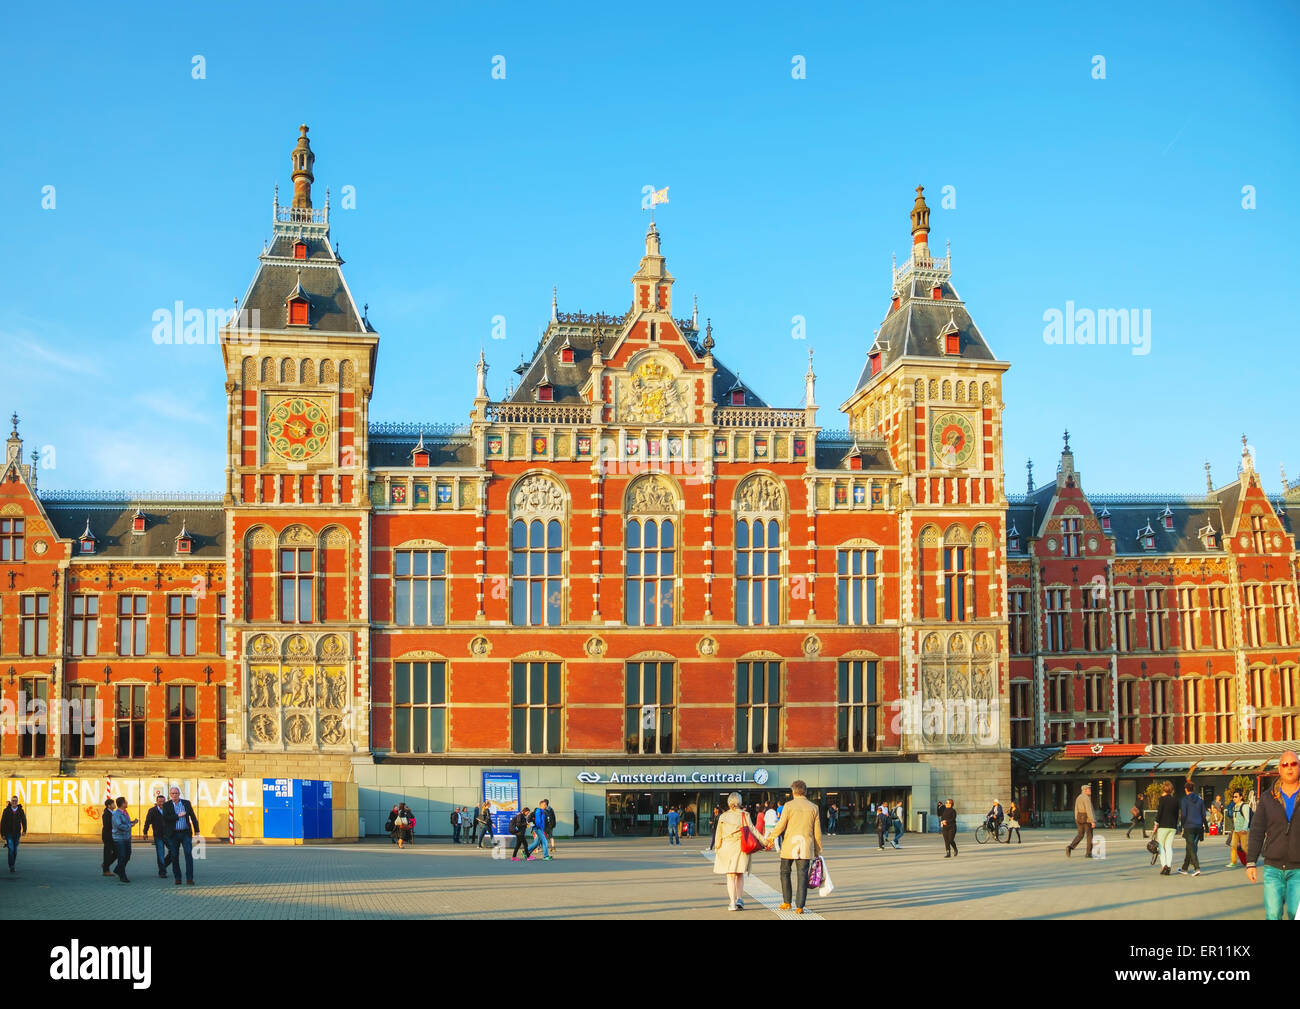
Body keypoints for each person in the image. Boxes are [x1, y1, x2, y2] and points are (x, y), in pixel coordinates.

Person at [1245, 750, 1300, 919]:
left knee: (1295, 913)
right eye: (1285, 764)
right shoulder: (1268, 798)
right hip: (1273, 868)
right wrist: (1251, 862)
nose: (1289, 768)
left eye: (1293, 764)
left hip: (1298, 869)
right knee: (1273, 914)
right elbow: (1257, 830)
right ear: (1279, 769)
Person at [764, 779, 823, 914]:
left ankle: (787, 902)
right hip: (805, 846)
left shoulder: (788, 806)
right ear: (805, 791)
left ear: (793, 791)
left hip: (789, 845)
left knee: (785, 872)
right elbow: (817, 832)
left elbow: (781, 825)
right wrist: (818, 850)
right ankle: (800, 906)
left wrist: (770, 838)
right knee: (802, 875)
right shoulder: (814, 807)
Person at [713, 792, 756, 911]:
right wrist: (765, 841)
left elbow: (718, 834)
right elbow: (753, 830)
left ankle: (732, 903)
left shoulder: (723, 816)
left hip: (726, 847)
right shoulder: (744, 815)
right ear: (740, 802)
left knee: (730, 875)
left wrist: (717, 847)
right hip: (740, 847)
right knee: (739, 874)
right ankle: (739, 899)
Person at [163, 786, 199, 886]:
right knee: (174, 856)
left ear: (179, 794)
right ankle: (177, 878)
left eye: (176, 793)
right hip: (173, 834)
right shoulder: (166, 805)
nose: (174, 795)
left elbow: (193, 816)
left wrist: (197, 830)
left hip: (185, 833)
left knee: (188, 854)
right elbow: (165, 818)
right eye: (173, 793)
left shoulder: (186, 803)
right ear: (170, 795)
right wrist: (177, 816)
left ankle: (189, 879)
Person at [1177, 781, 1205, 876]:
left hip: (1189, 826)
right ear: (1193, 789)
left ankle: (1197, 868)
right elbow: (1203, 814)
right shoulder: (1200, 800)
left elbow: (1183, 815)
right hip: (1199, 826)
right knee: (1189, 847)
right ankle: (1184, 868)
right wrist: (1206, 826)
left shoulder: (1184, 800)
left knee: (1191, 847)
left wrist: (1182, 825)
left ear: (1186, 789)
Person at [1153, 780, 1179, 875]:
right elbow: (1177, 814)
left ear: (1164, 789)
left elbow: (1159, 813)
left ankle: (1164, 866)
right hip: (1172, 826)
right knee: (1168, 847)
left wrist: (1156, 824)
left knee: (1161, 846)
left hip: (1163, 826)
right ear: (1171, 790)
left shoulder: (1162, 799)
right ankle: (1169, 865)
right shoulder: (1176, 800)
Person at [111, 797, 138, 884]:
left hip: (126, 837)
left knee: (127, 855)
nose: (127, 803)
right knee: (122, 856)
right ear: (122, 804)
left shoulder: (125, 812)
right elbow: (119, 825)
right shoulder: (116, 814)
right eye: (126, 802)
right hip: (119, 838)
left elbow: (126, 823)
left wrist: (132, 822)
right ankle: (122, 875)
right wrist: (130, 825)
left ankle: (118, 869)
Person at [142, 794, 170, 877]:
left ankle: (163, 865)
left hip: (169, 835)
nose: (162, 803)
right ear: (156, 801)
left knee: (174, 852)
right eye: (160, 801)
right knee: (160, 854)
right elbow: (147, 822)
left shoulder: (169, 809)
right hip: (158, 836)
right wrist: (145, 832)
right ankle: (162, 872)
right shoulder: (152, 810)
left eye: (163, 801)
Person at [1065, 784, 1096, 858]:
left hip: (1079, 819)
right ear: (1085, 790)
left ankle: (1070, 847)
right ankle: (1088, 853)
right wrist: (1092, 821)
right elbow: (1089, 810)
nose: (1090, 790)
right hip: (1087, 820)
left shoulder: (1078, 797)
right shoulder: (1086, 798)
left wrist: (1076, 818)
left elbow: (1076, 809)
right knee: (1089, 836)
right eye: (1089, 789)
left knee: (1080, 835)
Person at [0, 795, 27, 872]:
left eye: (15, 801)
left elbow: (24, 821)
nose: (14, 802)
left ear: (17, 802)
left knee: (15, 851)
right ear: (11, 801)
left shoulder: (20, 810)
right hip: (9, 833)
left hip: (17, 833)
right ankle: (11, 866)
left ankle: (12, 864)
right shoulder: (6, 810)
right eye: (13, 800)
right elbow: (2, 822)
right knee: (11, 849)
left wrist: (24, 830)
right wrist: (2, 834)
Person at [100, 798, 116, 877]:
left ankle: (106, 864)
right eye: (113, 804)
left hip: (112, 835)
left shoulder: (112, 813)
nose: (114, 805)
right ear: (109, 806)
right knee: (107, 853)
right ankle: (106, 870)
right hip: (108, 836)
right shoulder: (106, 814)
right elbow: (107, 825)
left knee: (116, 852)